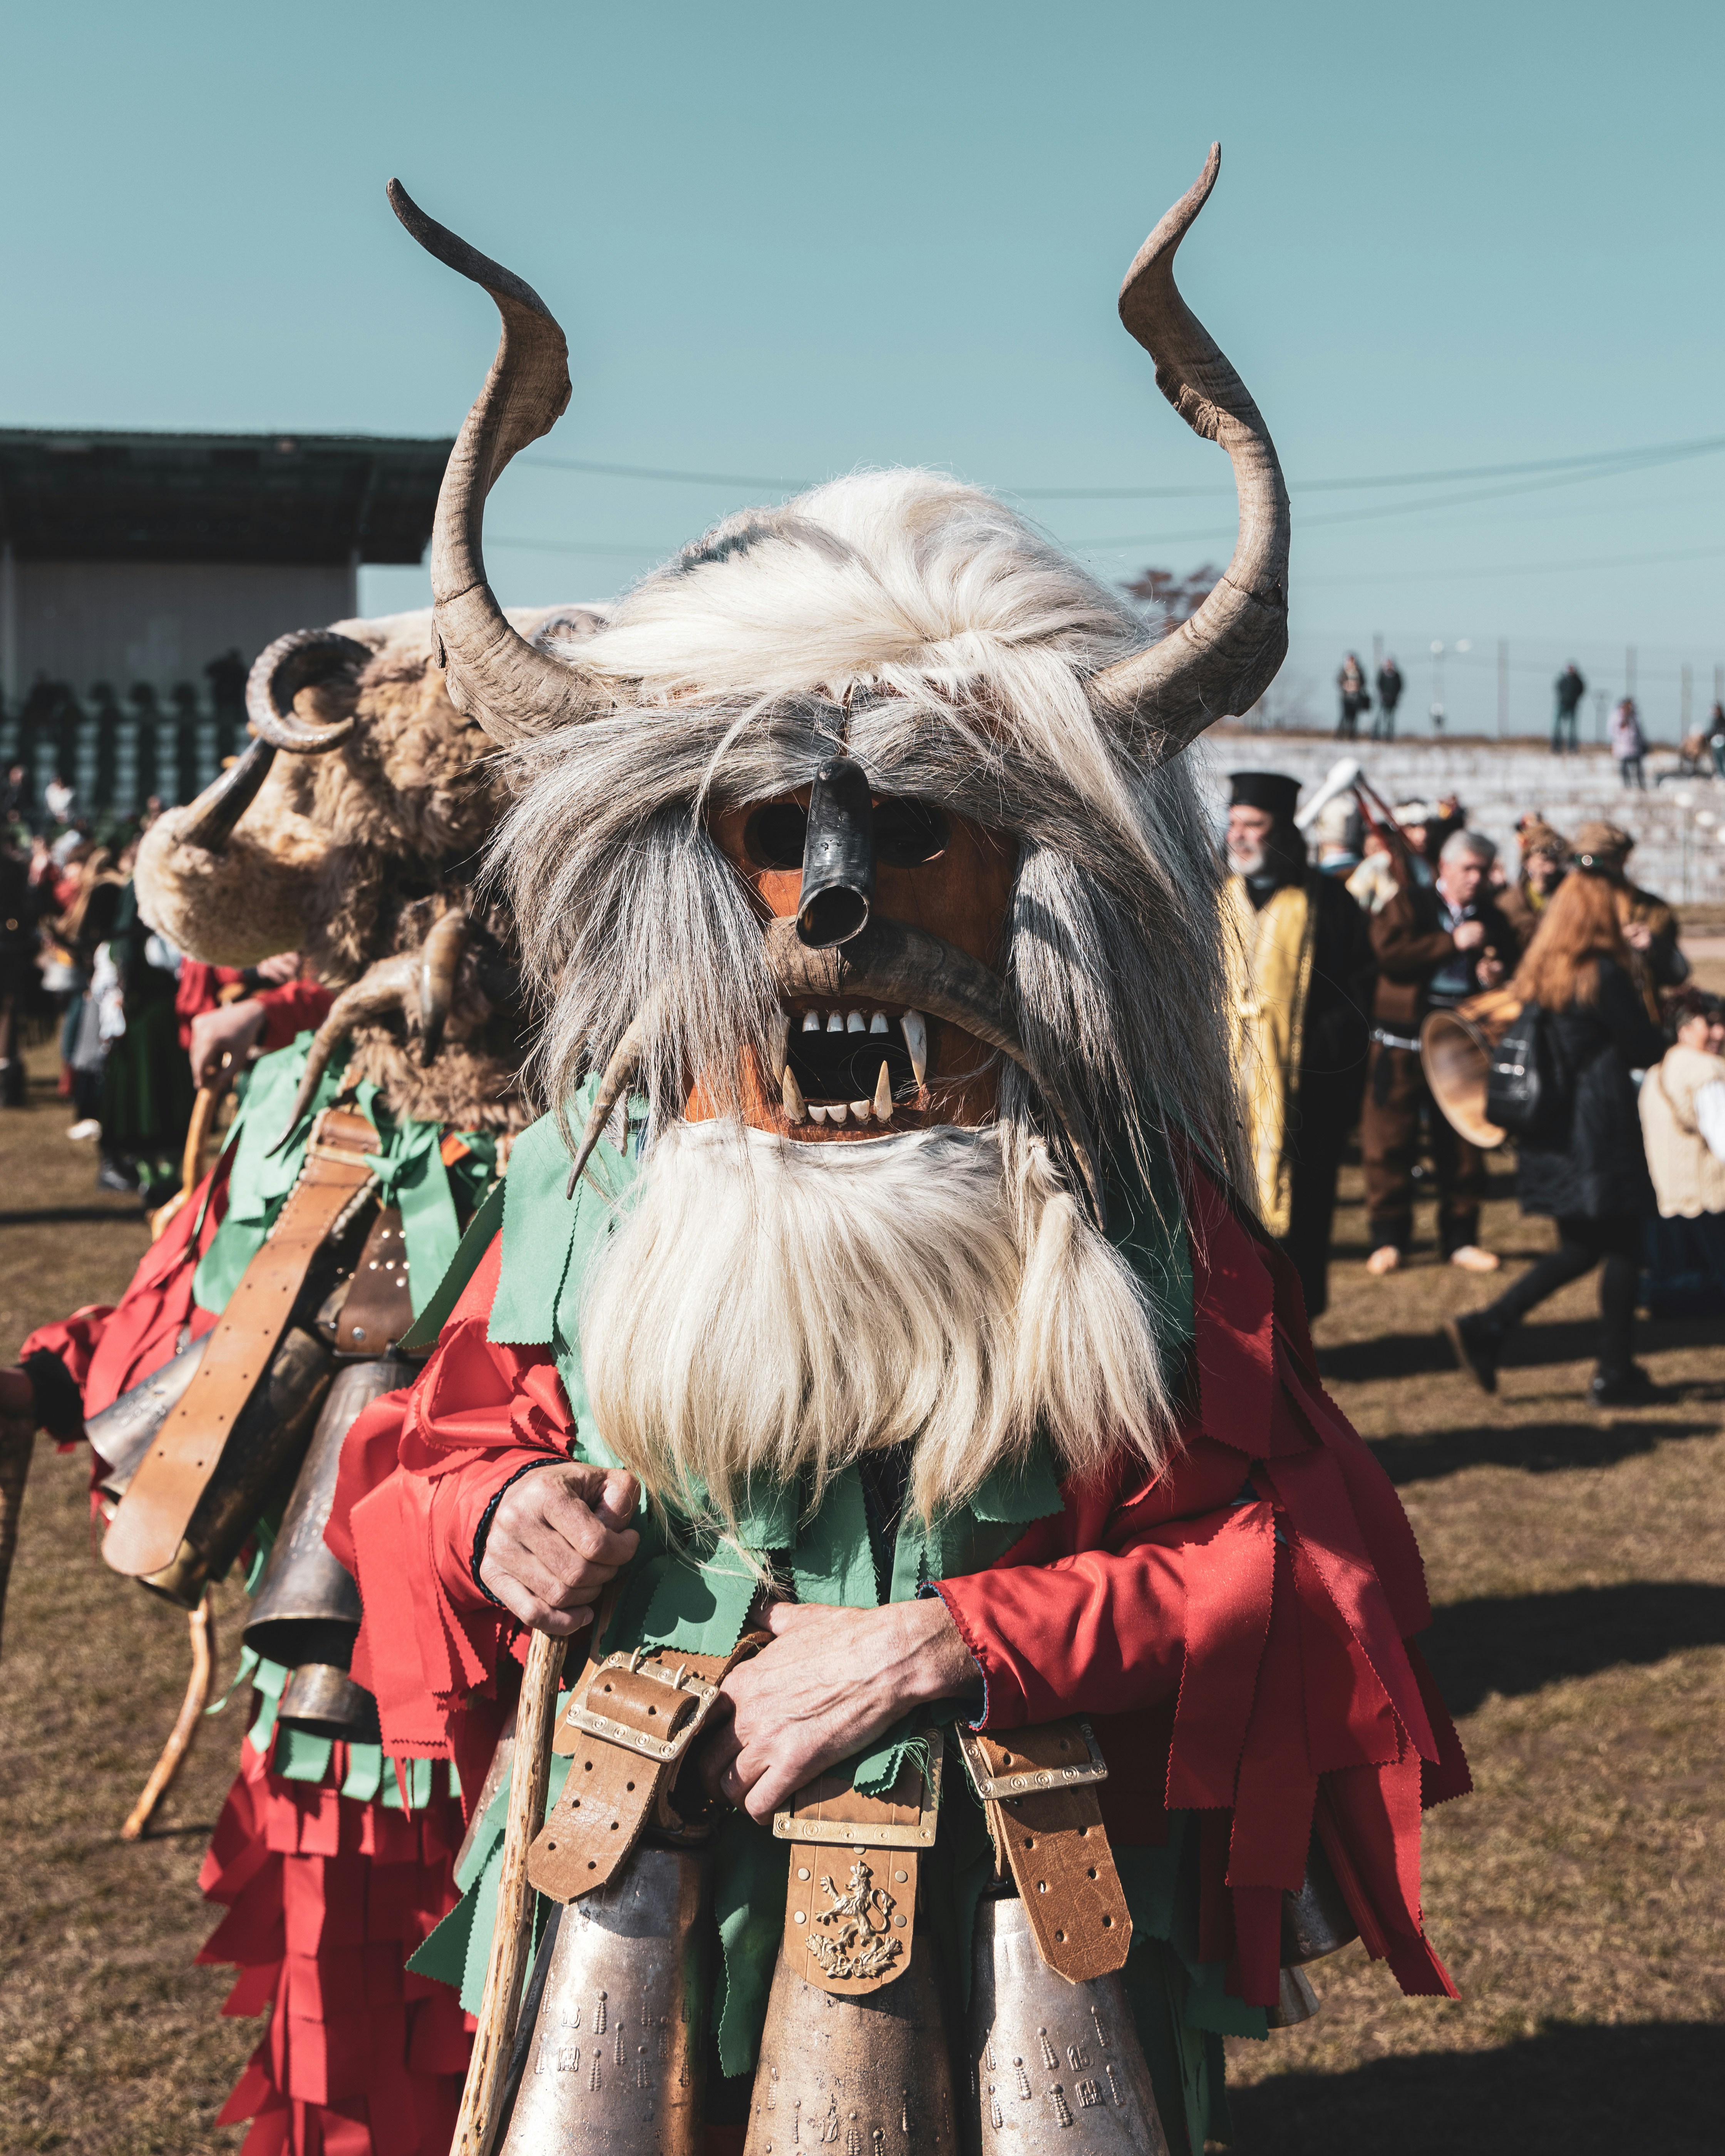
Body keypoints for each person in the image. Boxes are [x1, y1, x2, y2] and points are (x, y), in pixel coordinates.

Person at [328, 183, 1468, 2156]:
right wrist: (496, 1511)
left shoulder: (1122, 1206)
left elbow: (1320, 1574)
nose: (838, 948)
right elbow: (424, 1455)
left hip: (1017, 1899)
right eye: (765, 855)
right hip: (630, 1864)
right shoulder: (603, 1165)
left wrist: (964, 1633)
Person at [1442, 866, 1666, 1404]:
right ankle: (1610, 1372)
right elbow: (1642, 1048)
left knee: (1586, 1246)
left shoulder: (1543, 967)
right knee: (1620, 1244)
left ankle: (1495, 1326)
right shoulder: (1602, 974)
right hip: (1598, 1125)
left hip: (1555, 1127)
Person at [1225, 771, 1375, 1320]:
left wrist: (1311, 1060)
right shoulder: (1217, 898)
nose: (1239, 836)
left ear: (1282, 831)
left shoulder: (1329, 905)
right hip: (1225, 1098)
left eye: (1254, 825)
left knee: (1302, 1225)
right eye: (1234, 822)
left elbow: (1356, 1002)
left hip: (1304, 1100)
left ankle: (1295, 1342)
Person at [1363, 829, 1511, 1274]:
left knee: (1464, 1144)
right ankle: (1389, 1239)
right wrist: (1452, 943)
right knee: (1389, 1140)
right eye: (1467, 868)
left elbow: (1510, 964)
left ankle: (1461, 1238)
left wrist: (1494, 969)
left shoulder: (1492, 915)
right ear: (1444, 867)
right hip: (1402, 1042)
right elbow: (1387, 953)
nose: (1476, 877)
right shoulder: (1409, 903)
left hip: (1462, 1047)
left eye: (1483, 870)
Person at [1637, 988, 1725, 1315]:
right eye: (1711, 1024)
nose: (1720, 1033)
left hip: (1671, 1203)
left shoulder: (1656, 1072)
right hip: (1710, 1205)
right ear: (1685, 1029)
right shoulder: (1706, 1071)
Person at [1569, 819, 1688, 1016]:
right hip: (1580, 1017)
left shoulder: (1653, 910)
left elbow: (1679, 973)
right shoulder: (1565, 906)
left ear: (1621, 859)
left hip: (1634, 1016)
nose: (1587, 868)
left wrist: (1654, 947)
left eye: (1595, 860)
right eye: (1581, 859)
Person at [1498, 817, 1569, 952]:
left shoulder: (1570, 898)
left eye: (1554, 861)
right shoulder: (1508, 903)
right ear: (1527, 861)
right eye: (1543, 861)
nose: (1549, 868)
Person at [1608, 695, 1646, 788]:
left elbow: (1638, 730)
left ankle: (1641, 785)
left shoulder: (1634, 715)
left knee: (1638, 767)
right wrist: (1618, 739)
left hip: (1635, 746)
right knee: (1624, 766)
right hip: (1623, 746)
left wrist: (1642, 742)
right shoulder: (1617, 715)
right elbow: (1612, 730)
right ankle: (1627, 785)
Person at [1552, 662, 1586, 753]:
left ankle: (1572, 747)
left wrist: (1575, 699)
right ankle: (1556, 747)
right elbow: (1558, 688)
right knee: (1557, 726)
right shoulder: (1563, 680)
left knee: (1573, 728)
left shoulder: (1578, 681)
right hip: (1562, 704)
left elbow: (1582, 690)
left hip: (1573, 705)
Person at [1336, 649, 1370, 738]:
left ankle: (1352, 736)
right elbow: (1339, 681)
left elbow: (1364, 682)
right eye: (1350, 660)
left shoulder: (1359, 670)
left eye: (1353, 660)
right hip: (1345, 697)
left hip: (1356, 697)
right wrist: (1346, 685)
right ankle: (1340, 736)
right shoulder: (1344, 670)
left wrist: (1357, 685)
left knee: (1354, 718)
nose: (1352, 661)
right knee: (1344, 717)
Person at [1373, 654, 1404, 741]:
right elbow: (1378, 685)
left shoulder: (1397, 675)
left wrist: (1394, 696)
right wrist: (1383, 695)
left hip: (1393, 701)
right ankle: (1376, 736)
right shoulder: (1382, 674)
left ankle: (1389, 737)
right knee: (1378, 718)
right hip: (1382, 700)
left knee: (1390, 720)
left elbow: (1400, 686)